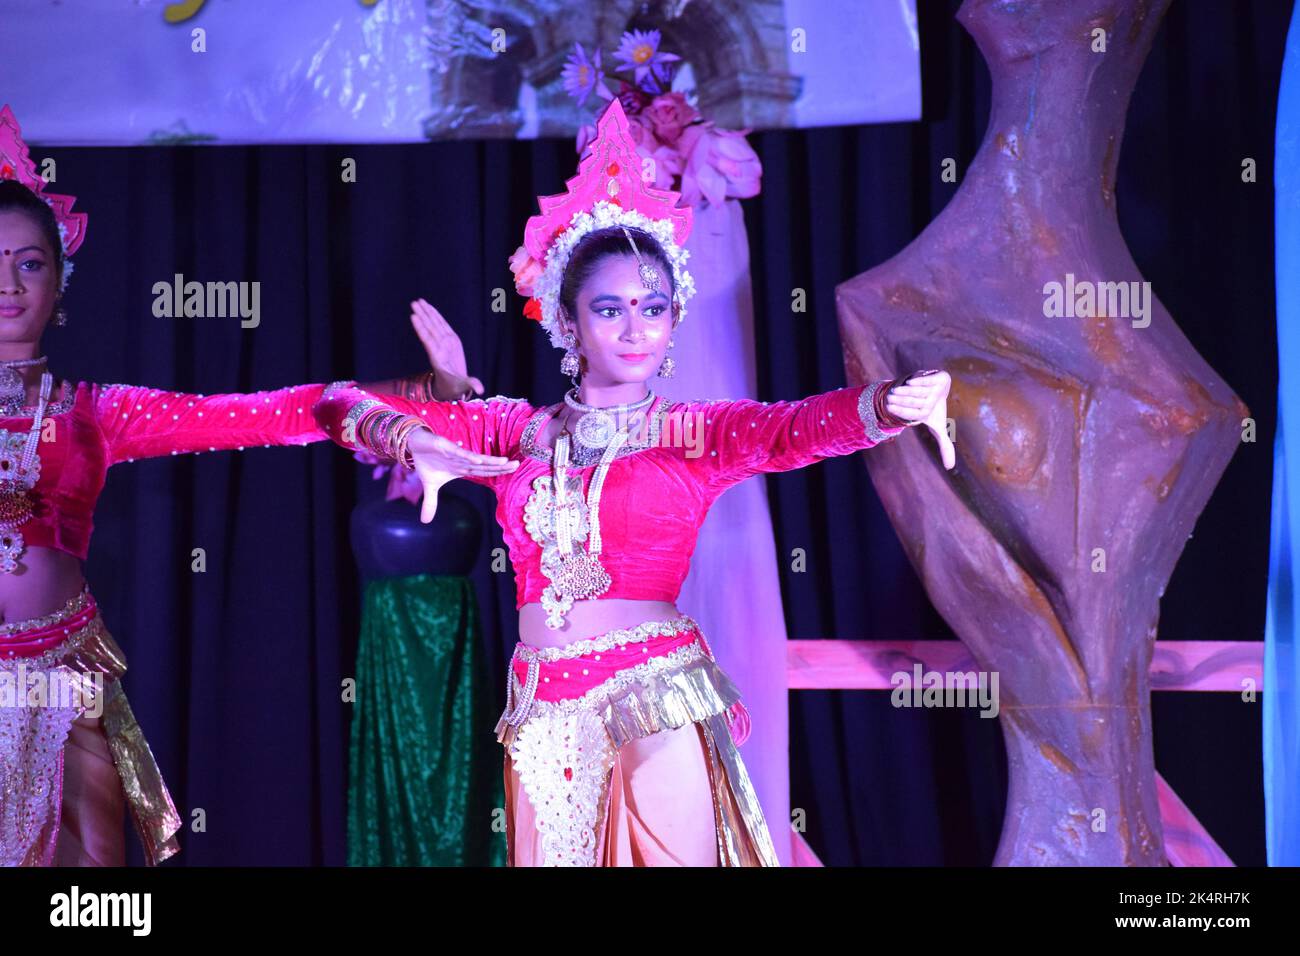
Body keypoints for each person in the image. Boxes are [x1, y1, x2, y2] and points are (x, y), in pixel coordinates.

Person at [314, 97, 955, 866]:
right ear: (568, 323)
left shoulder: (695, 434)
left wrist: (886, 404)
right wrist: (434, 412)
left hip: (653, 698)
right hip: (544, 710)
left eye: (653, 308)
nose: (634, 328)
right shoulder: (517, 432)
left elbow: (795, 429)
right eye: (609, 309)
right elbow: (335, 407)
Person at [0, 104, 462, 866]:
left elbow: (266, 414)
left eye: (30, 262)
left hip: (63, 684)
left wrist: (419, 394)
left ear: (61, 281)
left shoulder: (97, 414)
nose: (10, 283)